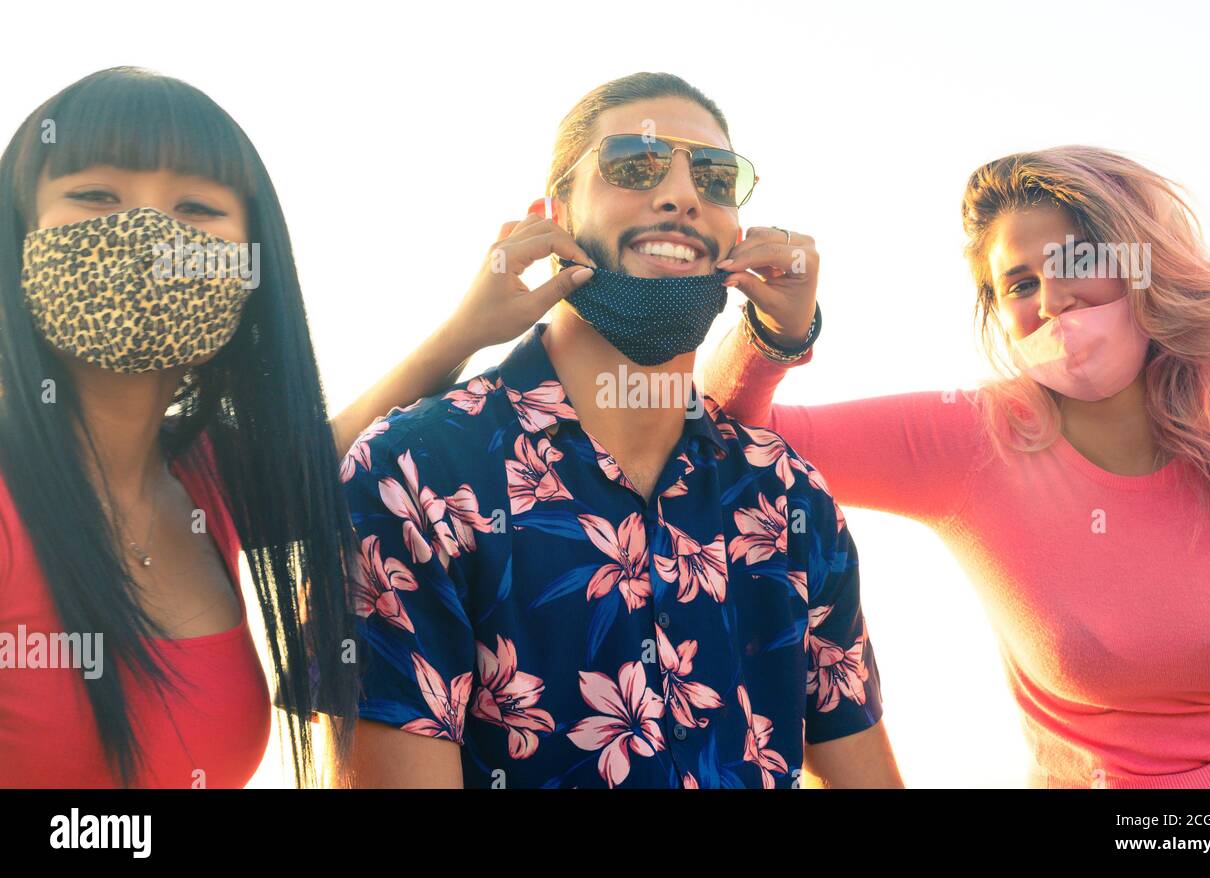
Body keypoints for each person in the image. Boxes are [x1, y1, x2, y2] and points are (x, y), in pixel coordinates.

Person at [341, 72, 902, 788]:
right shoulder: (412, 476)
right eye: (635, 164)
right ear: (553, 216)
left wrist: (780, 337)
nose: (683, 195)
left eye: (716, 178)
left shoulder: (789, 494)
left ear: (737, 238)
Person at [0, 67, 546, 787]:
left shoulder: (201, 487)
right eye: (96, 195)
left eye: (197, 207)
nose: (151, 234)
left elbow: (326, 456)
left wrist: (466, 330)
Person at [692, 146, 1210, 789]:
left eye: (1078, 262)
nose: (1054, 300)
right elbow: (734, 436)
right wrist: (777, 331)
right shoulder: (970, 439)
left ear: (1143, 264)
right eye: (1021, 284)